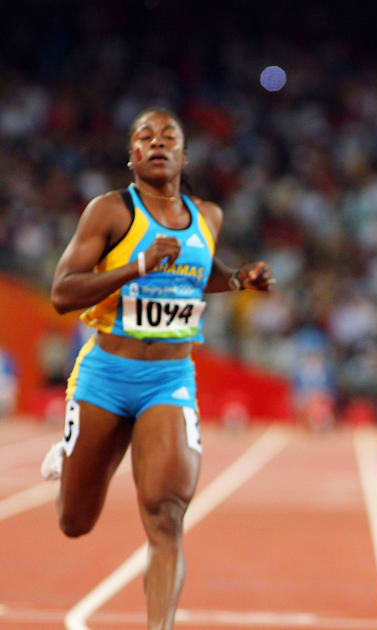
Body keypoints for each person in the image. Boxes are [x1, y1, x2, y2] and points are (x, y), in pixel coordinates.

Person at [41, 107, 274, 630]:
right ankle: (72, 450)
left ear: (185, 155)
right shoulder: (109, 212)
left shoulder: (208, 217)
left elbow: (197, 271)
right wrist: (137, 265)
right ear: (132, 157)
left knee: (167, 515)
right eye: (144, 136)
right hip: (105, 374)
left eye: (169, 135)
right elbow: (61, 293)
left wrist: (238, 280)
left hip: (169, 379)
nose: (157, 142)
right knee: (74, 522)